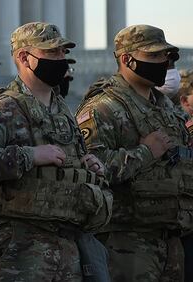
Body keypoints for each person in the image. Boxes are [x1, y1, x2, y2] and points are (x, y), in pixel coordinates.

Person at [0, 22, 112, 282]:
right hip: (20, 246)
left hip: (68, 244)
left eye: (63, 52)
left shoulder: (63, 111)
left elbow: (69, 163)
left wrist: (88, 166)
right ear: (24, 57)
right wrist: (30, 155)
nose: (61, 59)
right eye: (51, 52)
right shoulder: (0, 108)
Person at [76, 24, 189, 281]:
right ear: (127, 59)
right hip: (125, 241)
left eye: (166, 56)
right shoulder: (102, 108)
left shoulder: (166, 108)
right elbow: (91, 170)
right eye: (154, 55)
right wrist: (145, 152)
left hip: (170, 235)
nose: (163, 63)